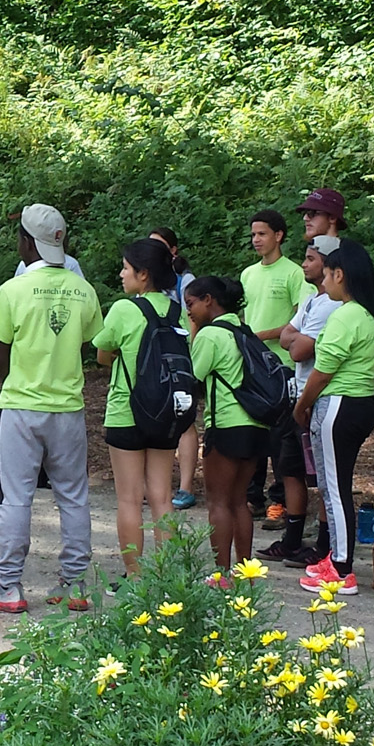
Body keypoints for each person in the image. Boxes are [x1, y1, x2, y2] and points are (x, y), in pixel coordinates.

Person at [0, 205, 102, 613]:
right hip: (68, 408)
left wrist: (15, 382)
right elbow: (88, 342)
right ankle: (75, 582)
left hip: (20, 407)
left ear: (27, 242)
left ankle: (8, 584)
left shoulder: (12, 291)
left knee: (14, 497)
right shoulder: (83, 290)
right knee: (73, 496)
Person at [293, 238, 374, 596]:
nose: (324, 281)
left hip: (339, 405)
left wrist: (301, 405)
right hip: (360, 404)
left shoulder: (345, 315)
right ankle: (335, 556)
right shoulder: (367, 314)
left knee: (334, 487)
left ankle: (342, 569)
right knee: (335, 484)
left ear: (340, 275)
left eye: (327, 274)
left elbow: (322, 371)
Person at [92, 238, 183, 580]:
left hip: (126, 411)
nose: (121, 274)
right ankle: (167, 575)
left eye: (126, 268)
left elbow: (102, 353)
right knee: (162, 496)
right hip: (167, 412)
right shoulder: (176, 310)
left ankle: (135, 576)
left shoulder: (124, 309)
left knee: (129, 499)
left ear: (143, 274)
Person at [258, 235, 344, 564]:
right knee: (290, 469)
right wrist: (295, 338)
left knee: (321, 474)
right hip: (296, 393)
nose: (304, 264)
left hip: (316, 398)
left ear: (330, 265)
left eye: (311, 259)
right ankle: (291, 540)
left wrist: (296, 339)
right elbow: (286, 337)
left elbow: (298, 349)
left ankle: (323, 544)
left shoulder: (333, 305)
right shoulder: (310, 300)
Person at [183, 275, 268, 574]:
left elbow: (193, 376)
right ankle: (245, 573)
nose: (189, 311)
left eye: (191, 304)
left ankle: (221, 576)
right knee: (239, 501)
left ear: (209, 300)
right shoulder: (244, 331)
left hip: (226, 425)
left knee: (218, 503)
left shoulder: (211, 335)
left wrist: (195, 334)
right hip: (256, 424)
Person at [240, 209, 315, 531]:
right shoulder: (248, 274)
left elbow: (301, 320)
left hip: (282, 367)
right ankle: (252, 497)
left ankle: (280, 501)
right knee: (253, 432)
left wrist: (261, 336)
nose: (256, 240)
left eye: (262, 234)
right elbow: (245, 316)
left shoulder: (294, 273)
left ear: (279, 235)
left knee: (281, 440)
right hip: (252, 367)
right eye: (253, 235)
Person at [148, 227, 201, 512]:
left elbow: (193, 320)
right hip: (152, 360)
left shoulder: (184, 280)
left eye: (159, 245)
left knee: (184, 420)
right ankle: (158, 487)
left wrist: (188, 357)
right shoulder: (145, 281)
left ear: (173, 251)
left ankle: (186, 487)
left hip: (179, 357)